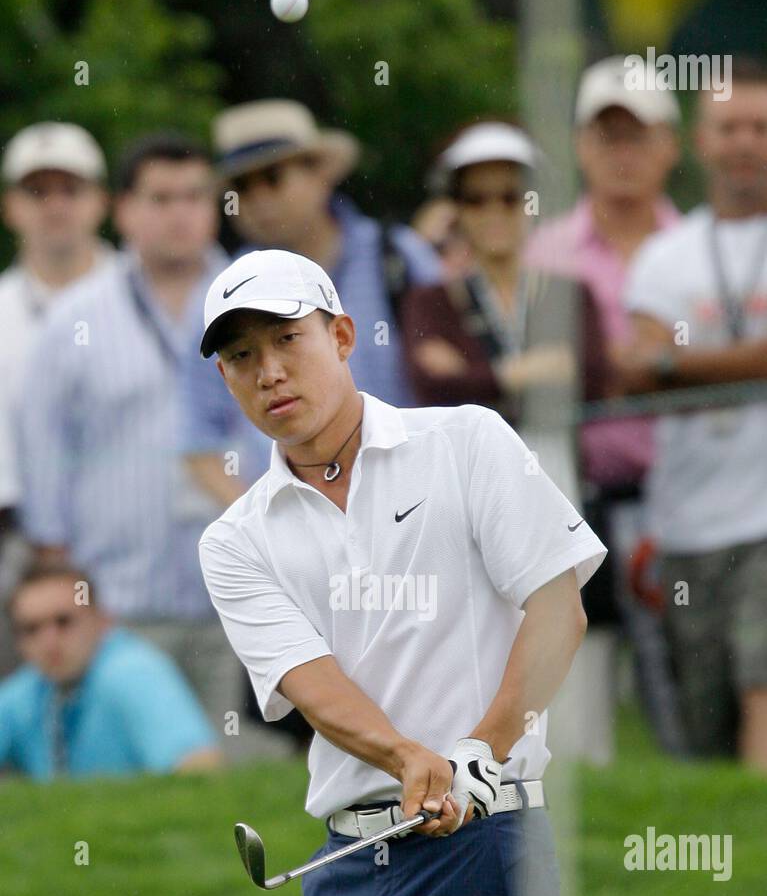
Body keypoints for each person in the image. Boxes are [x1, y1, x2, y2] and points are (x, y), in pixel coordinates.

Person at [196, 247, 607, 896]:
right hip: (344, 868)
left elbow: (555, 608)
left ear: (340, 335)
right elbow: (310, 683)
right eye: (241, 357)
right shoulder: (238, 536)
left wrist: (478, 744)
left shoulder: (462, 440)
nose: (270, 373)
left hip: (477, 847)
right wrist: (409, 758)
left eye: (286, 341)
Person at [14, 132, 290, 763]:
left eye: (194, 196)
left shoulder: (262, 303)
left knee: (221, 762)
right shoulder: (76, 318)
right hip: (117, 595)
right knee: (131, 764)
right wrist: (65, 577)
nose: (179, 213)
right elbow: (43, 447)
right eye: (160, 198)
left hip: (232, 589)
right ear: (125, 210)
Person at [525, 56, 685, 757]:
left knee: (677, 680)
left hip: (685, 495)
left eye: (637, 136)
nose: (622, 154)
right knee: (579, 682)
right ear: (582, 147)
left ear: (669, 147)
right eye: (605, 137)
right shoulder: (545, 253)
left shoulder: (699, 248)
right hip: (572, 495)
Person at [179, 100, 442, 513]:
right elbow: (199, 443)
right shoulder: (217, 298)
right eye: (242, 188)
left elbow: (452, 386)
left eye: (272, 177)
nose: (259, 198)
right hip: (293, 530)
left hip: (418, 508)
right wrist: (267, 527)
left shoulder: (400, 257)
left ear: (320, 175)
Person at [621, 56, 767, 769]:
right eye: (727, 126)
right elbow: (634, 366)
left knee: (760, 680)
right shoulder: (665, 254)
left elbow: (658, 363)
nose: (743, 141)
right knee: (702, 729)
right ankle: (727, 862)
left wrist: (682, 365)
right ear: (700, 140)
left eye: (759, 127)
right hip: (686, 521)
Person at [0, 122, 114, 679]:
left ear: (100, 201)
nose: (55, 206)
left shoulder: (146, 299)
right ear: (10, 207)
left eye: (70, 189)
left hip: (131, 538)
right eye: (37, 191)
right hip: (17, 543)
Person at [400, 121, 607, 429]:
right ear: (456, 208)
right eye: (476, 199)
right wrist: (531, 371)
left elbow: (594, 379)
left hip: (561, 467)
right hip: (468, 473)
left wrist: (475, 376)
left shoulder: (572, 294)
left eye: (511, 197)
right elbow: (434, 387)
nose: (494, 211)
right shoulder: (429, 303)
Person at [0, 561, 220, 779]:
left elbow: (199, 766)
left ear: (102, 620)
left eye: (64, 622)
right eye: (31, 629)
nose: (50, 642)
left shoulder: (130, 671)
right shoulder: (29, 688)